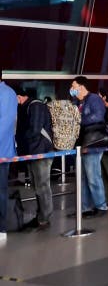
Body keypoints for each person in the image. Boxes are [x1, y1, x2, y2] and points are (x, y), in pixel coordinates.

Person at [15, 87, 54, 231]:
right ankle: (41, 216)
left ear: (19, 96)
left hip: (41, 151)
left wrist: (20, 140)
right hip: (34, 151)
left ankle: (45, 218)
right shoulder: (27, 107)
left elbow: (35, 130)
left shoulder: (36, 106)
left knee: (42, 185)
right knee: (37, 185)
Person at [71, 76, 108, 218]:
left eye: (73, 86)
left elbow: (98, 117)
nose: (72, 89)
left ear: (81, 87)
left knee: (93, 175)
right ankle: (85, 207)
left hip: (93, 142)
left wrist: (79, 120)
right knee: (83, 178)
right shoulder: (77, 101)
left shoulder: (94, 99)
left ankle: (101, 206)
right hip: (81, 143)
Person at [0, 72, 16, 241]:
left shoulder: (6, 94)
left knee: (0, 191)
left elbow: (4, 124)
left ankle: (1, 227)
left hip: (1, 152)